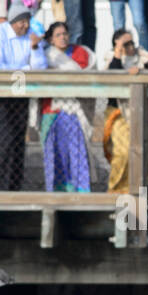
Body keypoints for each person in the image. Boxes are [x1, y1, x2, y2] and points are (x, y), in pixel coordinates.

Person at [0, 6, 43, 190]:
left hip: (19, 92)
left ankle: (15, 185)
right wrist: (25, 69)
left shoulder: (31, 34)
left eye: (27, 21)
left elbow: (40, 67)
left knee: (18, 139)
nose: (25, 26)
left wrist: (34, 47)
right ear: (12, 21)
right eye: (21, 21)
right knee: (6, 136)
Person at [29, 22, 95, 193]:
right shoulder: (44, 55)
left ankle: (81, 192)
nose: (63, 37)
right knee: (54, 153)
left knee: (77, 152)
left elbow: (83, 73)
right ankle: (55, 192)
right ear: (50, 39)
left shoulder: (80, 52)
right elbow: (38, 72)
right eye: (58, 35)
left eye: (65, 33)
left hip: (74, 109)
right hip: (51, 109)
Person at [101, 29, 148, 192]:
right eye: (126, 44)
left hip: (141, 112)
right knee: (124, 152)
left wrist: (140, 72)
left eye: (132, 42)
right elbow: (111, 79)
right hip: (117, 113)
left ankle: (141, 189)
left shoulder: (144, 58)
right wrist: (118, 53)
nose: (131, 46)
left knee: (145, 151)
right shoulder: (111, 60)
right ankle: (117, 190)